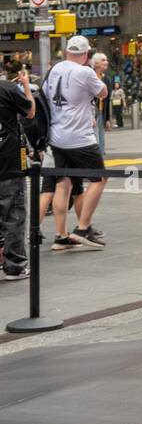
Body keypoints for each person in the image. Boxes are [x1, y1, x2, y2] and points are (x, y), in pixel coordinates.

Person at [44, 37, 108, 251]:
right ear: (86, 54)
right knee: (99, 178)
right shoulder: (85, 72)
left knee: (64, 182)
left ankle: (60, 236)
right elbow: (103, 93)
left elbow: (44, 95)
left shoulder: (55, 69)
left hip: (57, 136)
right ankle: (82, 228)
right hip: (79, 137)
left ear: (67, 51)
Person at [0, 64, 36, 281]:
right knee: (13, 214)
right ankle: (15, 266)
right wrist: (24, 86)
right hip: (8, 161)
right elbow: (30, 111)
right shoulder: (7, 89)